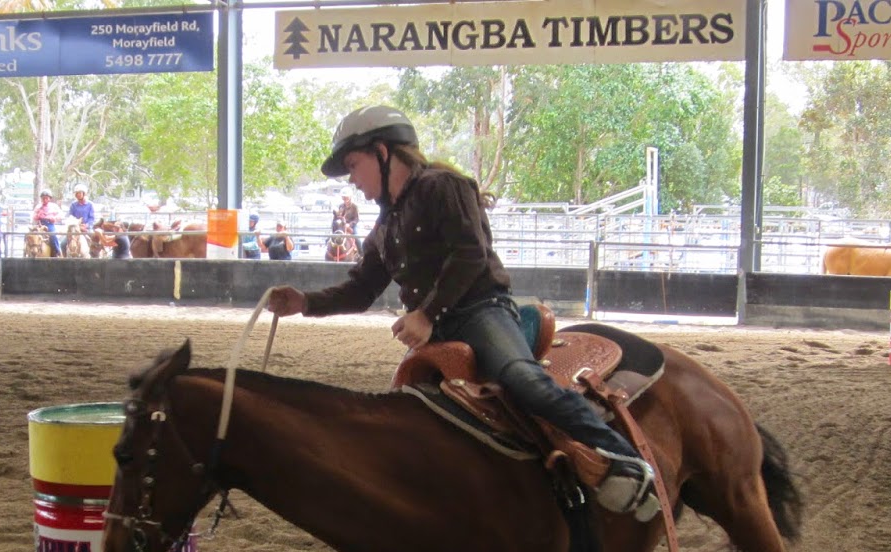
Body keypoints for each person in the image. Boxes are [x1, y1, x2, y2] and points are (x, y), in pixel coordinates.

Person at [265, 106, 659, 519]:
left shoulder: (443, 186)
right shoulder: (386, 225)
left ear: (382, 152)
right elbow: (361, 290)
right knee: (404, 411)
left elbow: (470, 253)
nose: (353, 180)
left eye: (353, 164)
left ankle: (626, 458)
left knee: (523, 379)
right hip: (436, 327)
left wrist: (426, 314)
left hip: (480, 310)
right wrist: (305, 302)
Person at [32, 190, 63, 256]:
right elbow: (33, 215)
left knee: (53, 235)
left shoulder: (54, 206)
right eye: (43, 198)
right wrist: (37, 216)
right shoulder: (38, 206)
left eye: (46, 198)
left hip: (49, 224)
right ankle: (27, 251)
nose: (45, 200)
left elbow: (60, 215)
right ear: (41, 199)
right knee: (31, 235)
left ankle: (57, 251)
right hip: (40, 224)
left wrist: (54, 218)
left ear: (49, 199)